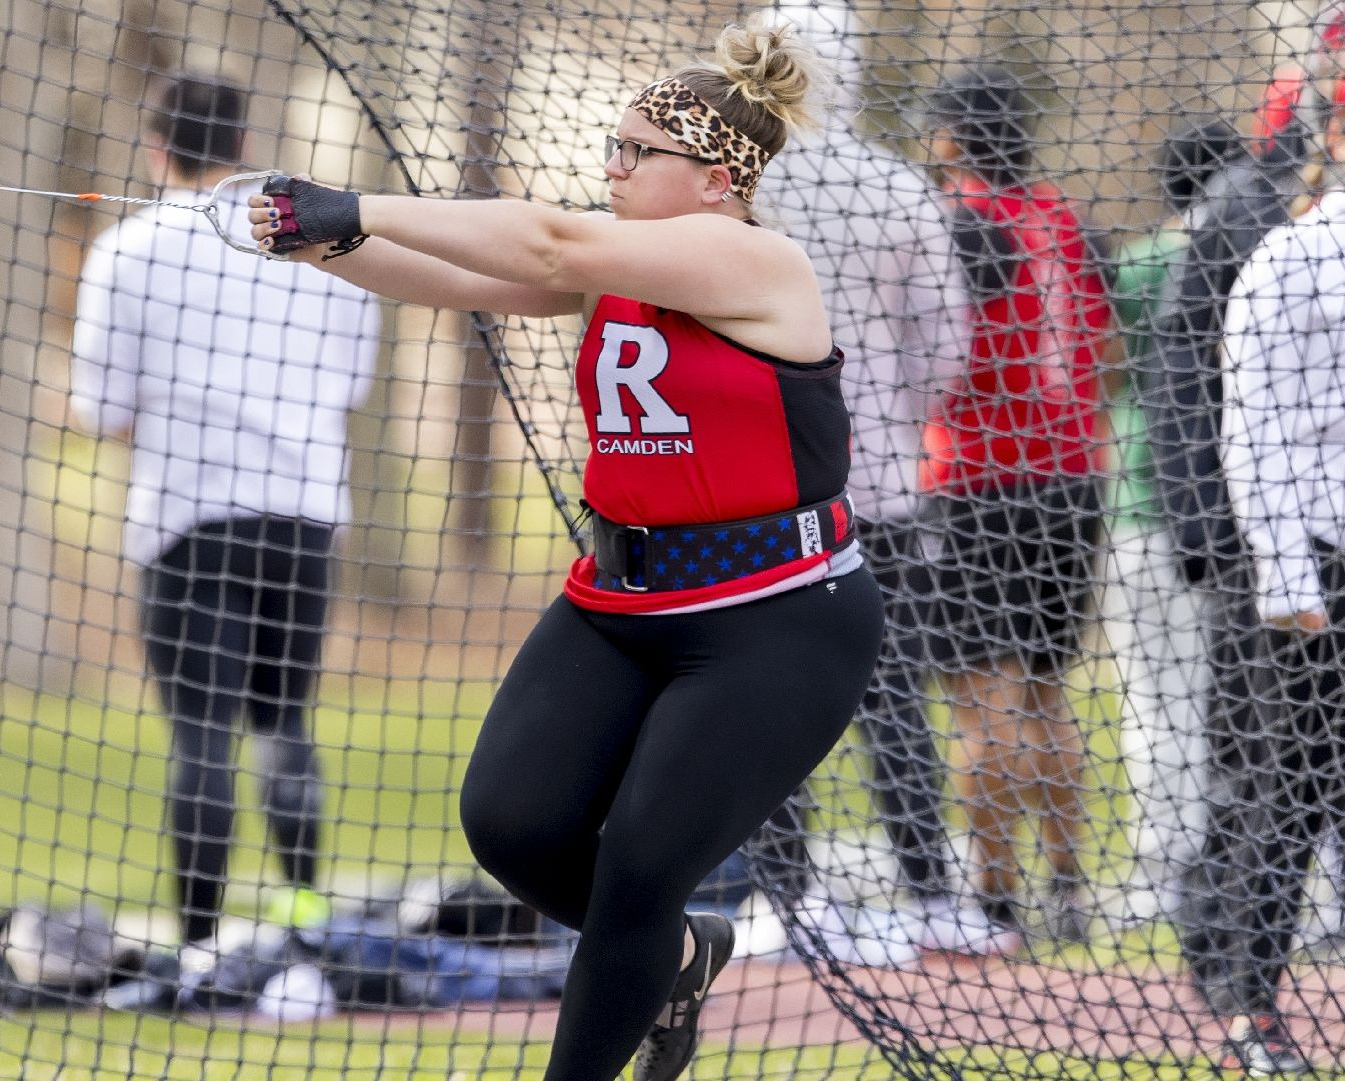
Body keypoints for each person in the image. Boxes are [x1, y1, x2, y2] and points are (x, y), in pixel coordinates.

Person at [250, 23, 883, 1081]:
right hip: (622, 599)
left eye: (641, 153)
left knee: (639, 869)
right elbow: (451, 279)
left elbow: (549, 242)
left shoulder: (754, 258)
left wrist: (351, 202)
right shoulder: (616, 266)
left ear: (718, 180)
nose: (614, 166)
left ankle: (630, 979)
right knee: (511, 823)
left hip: (774, 616)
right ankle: (681, 950)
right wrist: (317, 240)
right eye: (616, 146)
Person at [69, 76, 380, 964]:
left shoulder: (129, 249)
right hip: (304, 515)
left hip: (189, 518)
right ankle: (305, 918)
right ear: (243, 140)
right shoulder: (321, 247)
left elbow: (100, 408)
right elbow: (350, 387)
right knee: (285, 721)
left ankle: (200, 944)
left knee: (201, 732)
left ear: (155, 145)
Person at [738, 0, 1013, 965]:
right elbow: (946, 350)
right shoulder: (896, 187)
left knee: (767, 690)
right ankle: (931, 892)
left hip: (762, 486)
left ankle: (787, 894)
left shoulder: (740, 184)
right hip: (876, 481)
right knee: (889, 688)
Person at [919, 66, 1115, 942]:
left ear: (956, 138)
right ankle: (1068, 889)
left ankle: (995, 899)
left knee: (981, 701)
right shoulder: (1066, 219)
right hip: (1073, 480)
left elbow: (932, 358)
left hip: (976, 482)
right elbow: (1101, 347)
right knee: (1044, 692)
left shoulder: (957, 225)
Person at [1181, 85, 1345, 1078]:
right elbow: (1256, 440)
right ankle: (1250, 1009)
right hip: (1313, 565)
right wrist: (1287, 581)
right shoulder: (1288, 258)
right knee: (1288, 795)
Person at [1100, 118, 1246, 925]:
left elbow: (1105, 363)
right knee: (1260, 709)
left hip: (1150, 507)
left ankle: (1169, 877)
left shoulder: (1143, 261)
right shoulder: (1267, 240)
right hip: (1253, 515)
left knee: (1159, 705)